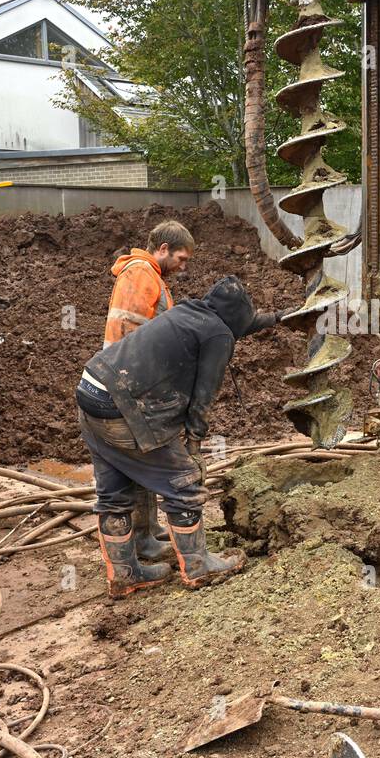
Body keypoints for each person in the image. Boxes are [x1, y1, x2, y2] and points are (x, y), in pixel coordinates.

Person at [78, 276, 281, 595]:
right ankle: (199, 567)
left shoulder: (190, 312)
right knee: (183, 480)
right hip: (122, 406)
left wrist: (282, 317)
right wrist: (194, 445)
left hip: (91, 390)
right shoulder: (218, 334)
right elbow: (204, 397)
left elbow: (241, 324)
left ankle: (124, 574)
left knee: (114, 493)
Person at [103, 220, 195, 564]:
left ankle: (148, 528)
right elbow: (132, 333)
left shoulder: (150, 275)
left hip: (134, 382)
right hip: (131, 385)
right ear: (162, 250)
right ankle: (141, 539)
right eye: (181, 259)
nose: (183, 267)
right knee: (139, 462)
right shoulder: (140, 273)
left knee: (141, 458)